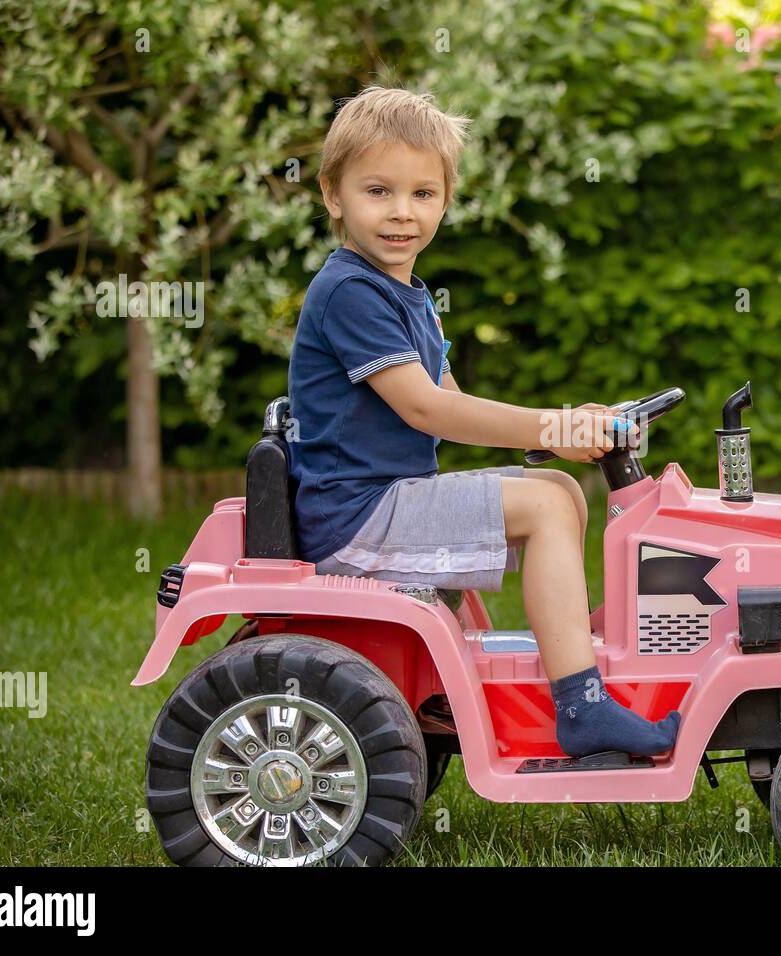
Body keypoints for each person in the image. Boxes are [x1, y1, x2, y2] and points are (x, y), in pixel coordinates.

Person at [287, 85, 680, 758]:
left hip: (385, 501)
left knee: (558, 493)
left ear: (445, 198)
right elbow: (426, 408)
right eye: (377, 191)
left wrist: (567, 426)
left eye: (423, 194)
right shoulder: (349, 290)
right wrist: (550, 428)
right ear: (333, 194)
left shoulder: (408, 295)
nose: (401, 213)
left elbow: (452, 400)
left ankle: (574, 656)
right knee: (547, 508)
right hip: (359, 517)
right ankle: (583, 709)